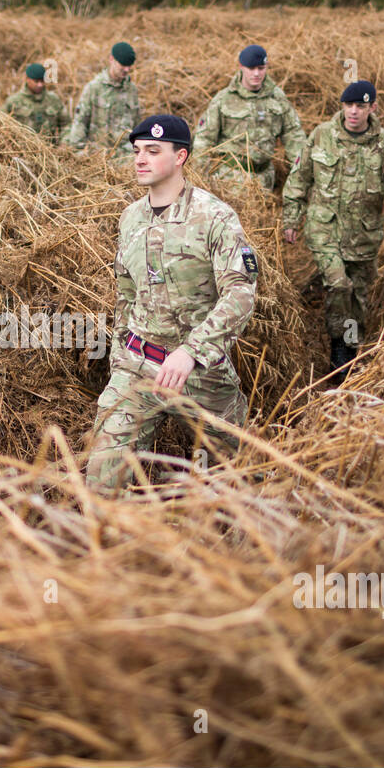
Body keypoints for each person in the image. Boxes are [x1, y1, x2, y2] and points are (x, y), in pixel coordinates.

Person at [86, 115, 258, 490]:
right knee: (102, 479)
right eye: (136, 151)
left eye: (152, 151)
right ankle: (125, 544)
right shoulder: (130, 218)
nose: (139, 159)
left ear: (180, 157)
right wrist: (119, 355)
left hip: (200, 372)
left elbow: (241, 292)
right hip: (137, 366)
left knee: (241, 477)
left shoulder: (215, 217)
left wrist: (192, 351)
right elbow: (126, 294)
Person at [282, 80, 384, 379]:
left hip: (364, 236)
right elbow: (299, 179)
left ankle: (352, 346)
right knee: (339, 285)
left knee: (359, 296)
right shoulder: (322, 136)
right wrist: (291, 219)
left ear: (372, 108)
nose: (354, 112)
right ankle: (339, 352)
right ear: (342, 106)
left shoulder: (383, 144)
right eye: (349, 105)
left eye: (361, 106)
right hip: (324, 229)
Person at [193, 44, 307, 193]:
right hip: (230, 180)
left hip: (265, 180)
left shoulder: (277, 97)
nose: (256, 74)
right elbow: (204, 140)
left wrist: (302, 173)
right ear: (241, 67)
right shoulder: (224, 99)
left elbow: (293, 135)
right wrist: (201, 182)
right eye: (251, 68)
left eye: (261, 68)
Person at [65, 41, 140, 157]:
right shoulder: (94, 88)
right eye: (123, 65)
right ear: (111, 60)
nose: (127, 69)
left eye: (129, 66)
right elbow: (80, 122)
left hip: (125, 156)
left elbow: (137, 124)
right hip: (98, 155)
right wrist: (77, 151)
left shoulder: (132, 90)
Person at [1, 63, 69, 140]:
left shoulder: (53, 99)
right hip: (23, 148)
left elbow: (66, 124)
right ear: (27, 79)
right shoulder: (14, 101)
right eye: (36, 81)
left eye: (42, 81)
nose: (40, 85)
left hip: (49, 149)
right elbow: (0, 125)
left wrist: (64, 142)